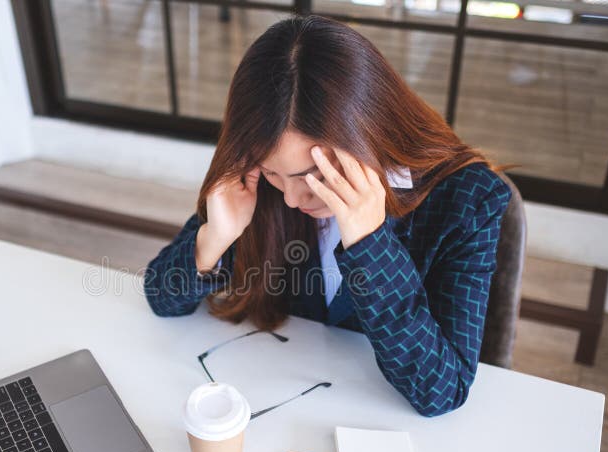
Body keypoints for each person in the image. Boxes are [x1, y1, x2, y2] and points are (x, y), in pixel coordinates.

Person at [143, 15, 511, 417]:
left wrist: (371, 245)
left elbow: (442, 391)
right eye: (271, 172)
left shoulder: (468, 199)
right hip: (282, 403)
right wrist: (214, 238)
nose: (290, 198)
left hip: (377, 424)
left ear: (370, 128)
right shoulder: (259, 182)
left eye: (313, 176)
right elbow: (161, 297)